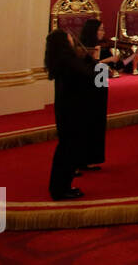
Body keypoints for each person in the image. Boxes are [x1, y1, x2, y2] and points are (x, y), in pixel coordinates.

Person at [44, 29, 92, 200]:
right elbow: (91, 79)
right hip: (73, 111)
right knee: (68, 150)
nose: (73, 39)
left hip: (68, 110)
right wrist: (95, 64)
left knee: (67, 149)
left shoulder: (64, 61)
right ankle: (60, 189)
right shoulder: (69, 62)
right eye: (70, 38)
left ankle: (63, 185)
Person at [76, 19, 109, 171]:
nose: (103, 32)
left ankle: (91, 158)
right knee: (89, 124)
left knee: (98, 122)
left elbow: (102, 73)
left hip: (100, 88)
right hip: (89, 92)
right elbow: (90, 70)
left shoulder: (101, 47)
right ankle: (83, 159)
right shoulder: (83, 49)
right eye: (100, 29)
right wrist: (103, 62)